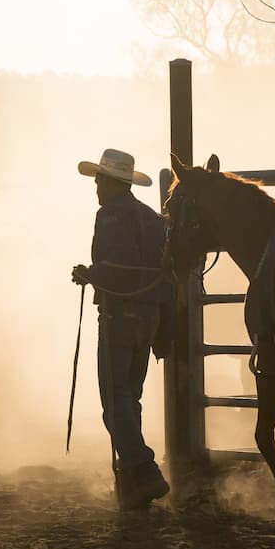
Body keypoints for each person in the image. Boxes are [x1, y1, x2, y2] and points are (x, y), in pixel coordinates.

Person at [70, 148, 173, 510]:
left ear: (112, 183)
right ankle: (133, 485)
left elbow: (117, 267)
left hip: (121, 315)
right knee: (129, 397)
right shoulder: (151, 218)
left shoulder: (111, 216)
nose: (96, 187)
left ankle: (144, 471)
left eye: (99, 180)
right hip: (150, 316)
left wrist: (89, 273)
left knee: (114, 402)